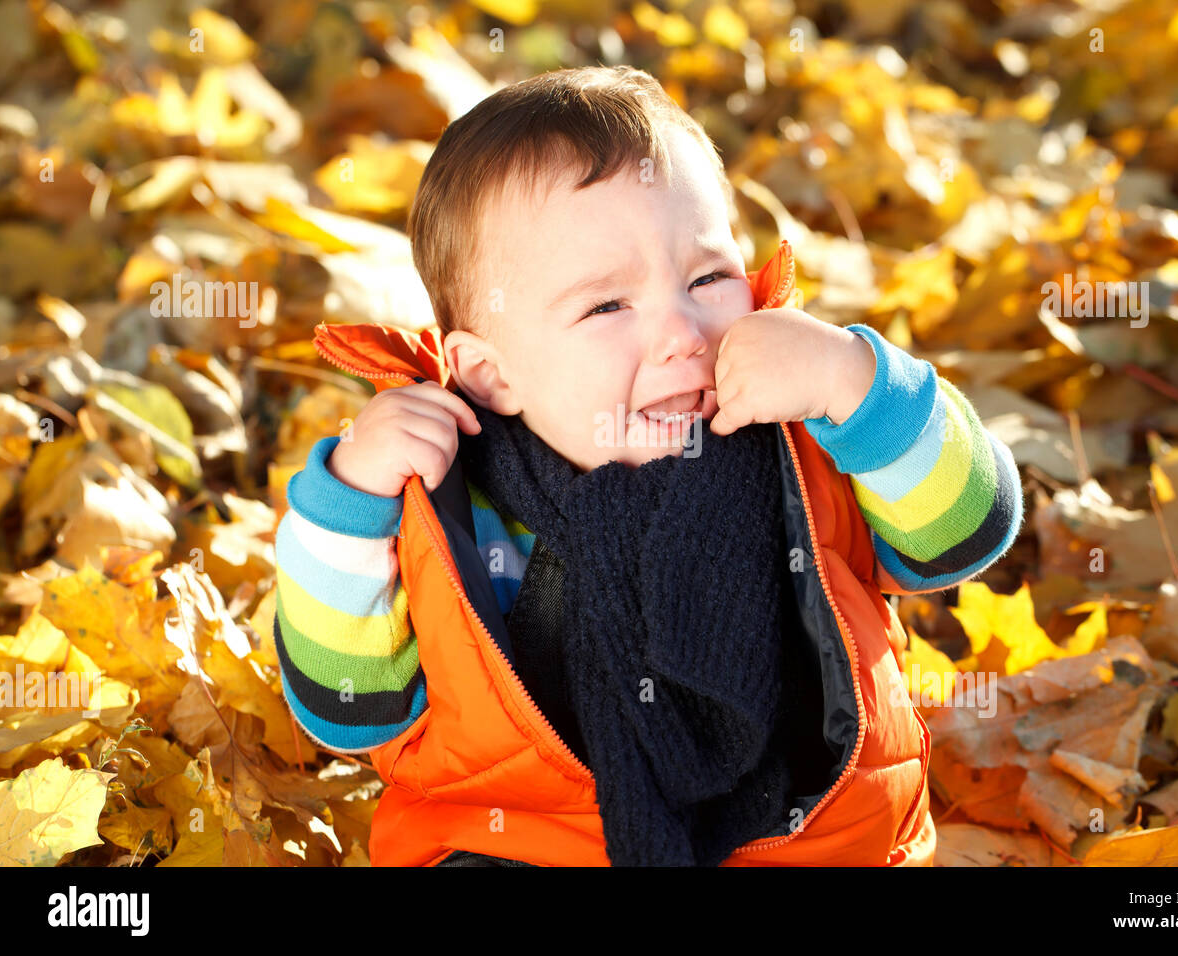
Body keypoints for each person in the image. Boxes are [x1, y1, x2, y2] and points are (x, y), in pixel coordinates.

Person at [273, 65, 1023, 866]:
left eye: (708, 278)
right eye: (606, 306)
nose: (683, 333)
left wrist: (858, 385)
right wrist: (349, 504)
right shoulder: (451, 504)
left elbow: (966, 533)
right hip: (523, 840)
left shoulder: (806, 428)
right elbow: (349, 706)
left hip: (811, 835)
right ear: (492, 373)